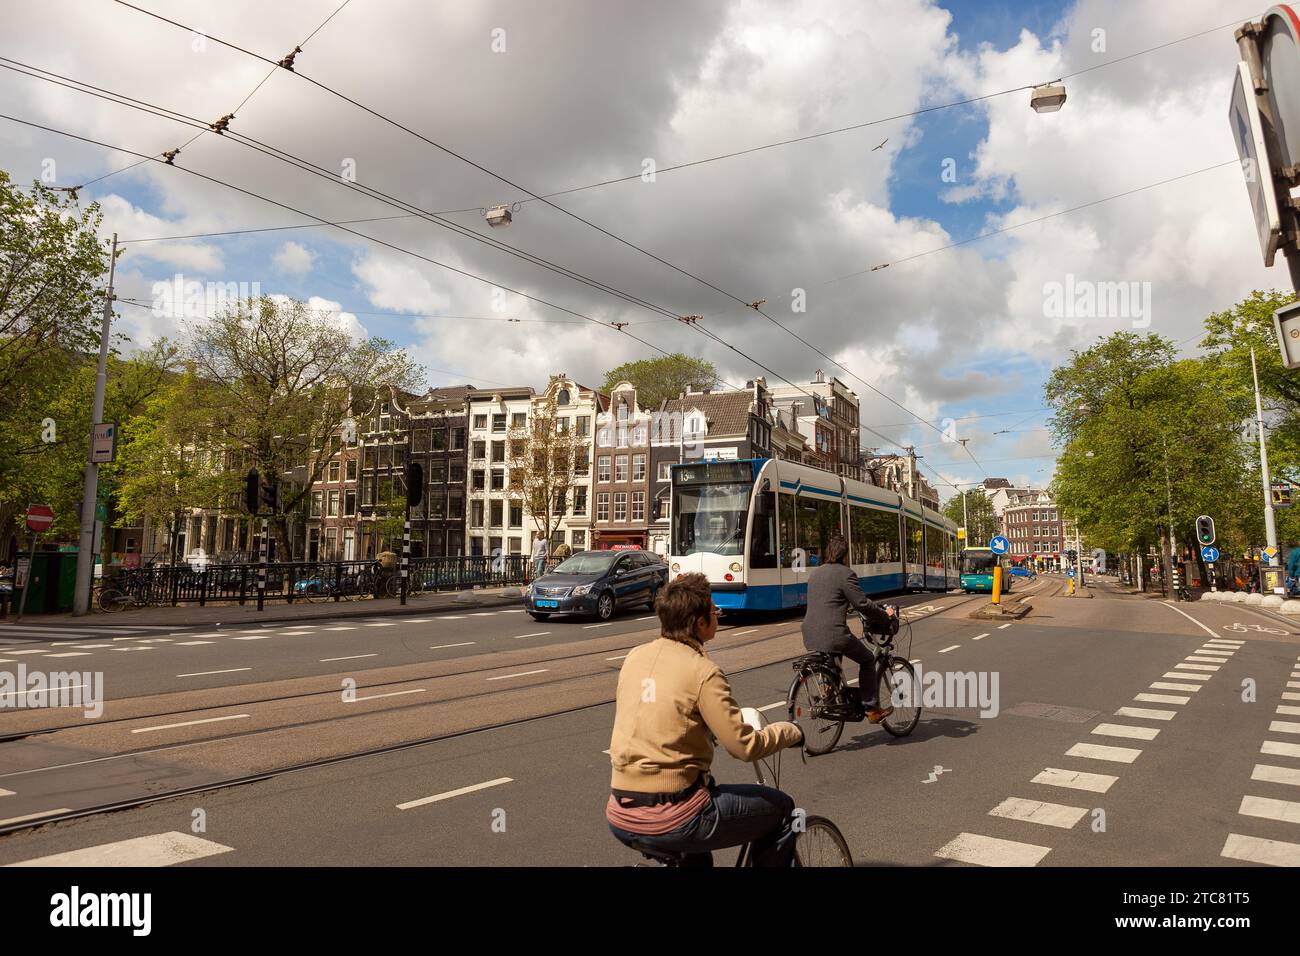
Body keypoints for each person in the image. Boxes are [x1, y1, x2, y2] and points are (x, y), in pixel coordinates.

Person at [606, 572, 804, 867]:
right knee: (783, 810)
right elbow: (742, 747)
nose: (717, 616)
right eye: (714, 611)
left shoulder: (635, 657)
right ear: (700, 623)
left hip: (621, 810)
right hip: (675, 813)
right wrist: (790, 731)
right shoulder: (703, 672)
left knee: (698, 860)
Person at [801, 534, 899, 723]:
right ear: (845, 556)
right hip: (834, 634)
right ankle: (871, 708)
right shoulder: (846, 574)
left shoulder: (815, 573)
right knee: (868, 660)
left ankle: (828, 692)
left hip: (809, 633)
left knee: (832, 658)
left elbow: (829, 600)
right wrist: (883, 615)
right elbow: (862, 604)